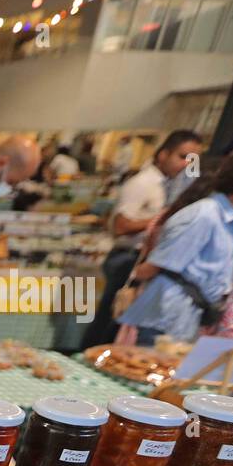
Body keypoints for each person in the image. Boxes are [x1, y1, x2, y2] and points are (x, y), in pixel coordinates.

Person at [81, 129, 203, 348]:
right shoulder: (143, 182)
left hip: (143, 259)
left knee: (122, 324)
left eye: (193, 159)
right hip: (128, 258)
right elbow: (120, 226)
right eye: (183, 156)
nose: (187, 164)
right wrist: (162, 221)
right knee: (110, 319)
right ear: (163, 154)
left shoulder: (171, 185)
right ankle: (91, 355)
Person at [116, 157, 233, 345]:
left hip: (187, 317)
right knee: (149, 362)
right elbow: (157, 265)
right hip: (168, 317)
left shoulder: (228, 219)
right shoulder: (205, 214)